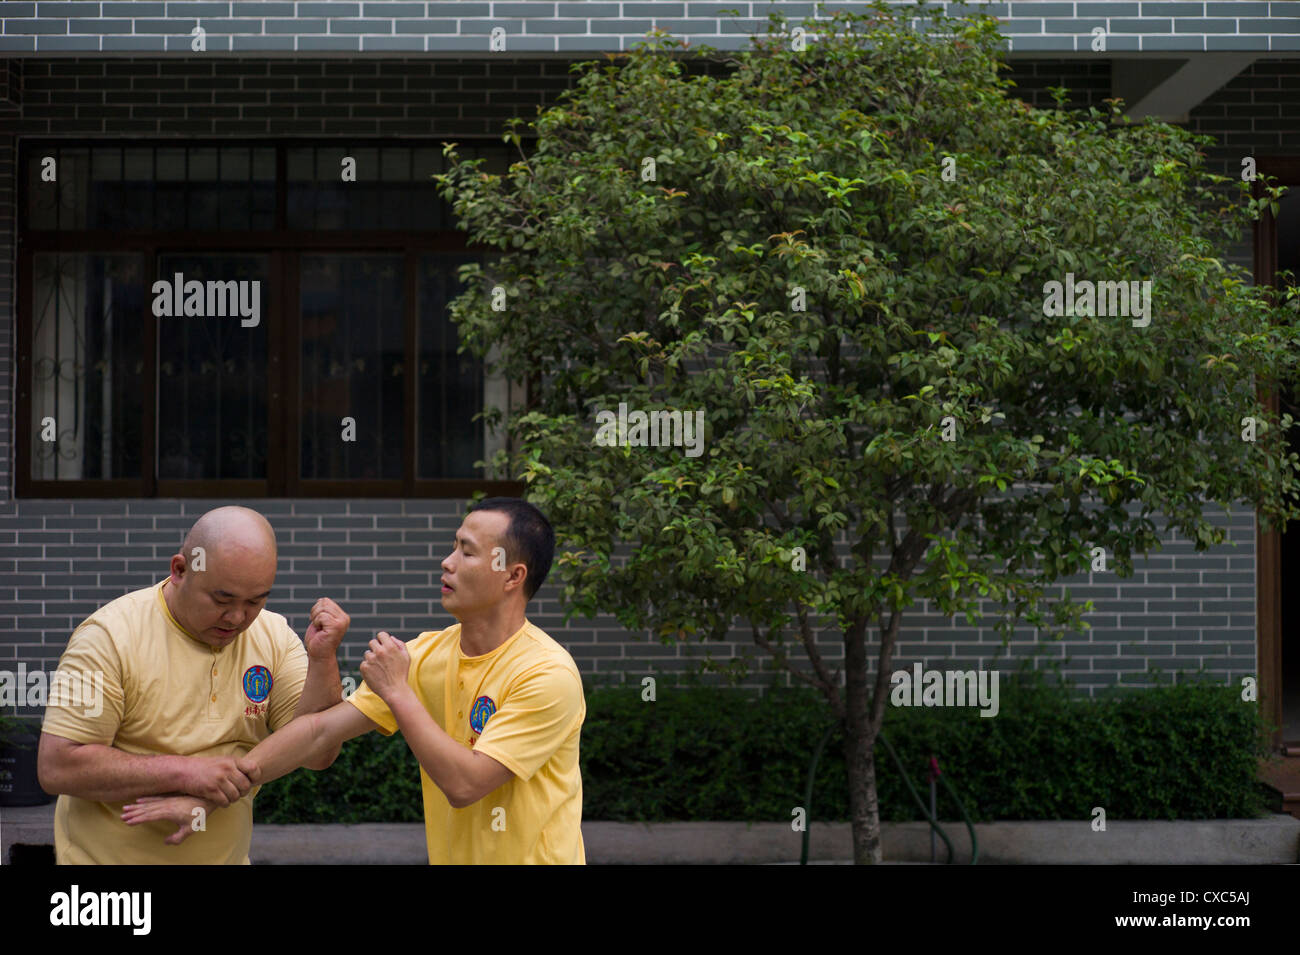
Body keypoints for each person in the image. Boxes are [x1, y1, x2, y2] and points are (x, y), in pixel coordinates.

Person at [121, 497, 587, 865]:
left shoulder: (546, 674)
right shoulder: (427, 654)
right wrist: (209, 798)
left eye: (466, 552)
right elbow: (317, 731)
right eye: (453, 546)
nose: (447, 562)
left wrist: (399, 692)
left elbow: (465, 785)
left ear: (513, 576)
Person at [37, 505, 350, 864]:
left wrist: (323, 660)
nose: (237, 617)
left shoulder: (274, 637)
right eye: (221, 599)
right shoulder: (109, 638)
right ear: (180, 570)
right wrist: (186, 772)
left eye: (255, 601)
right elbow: (57, 766)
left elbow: (318, 752)